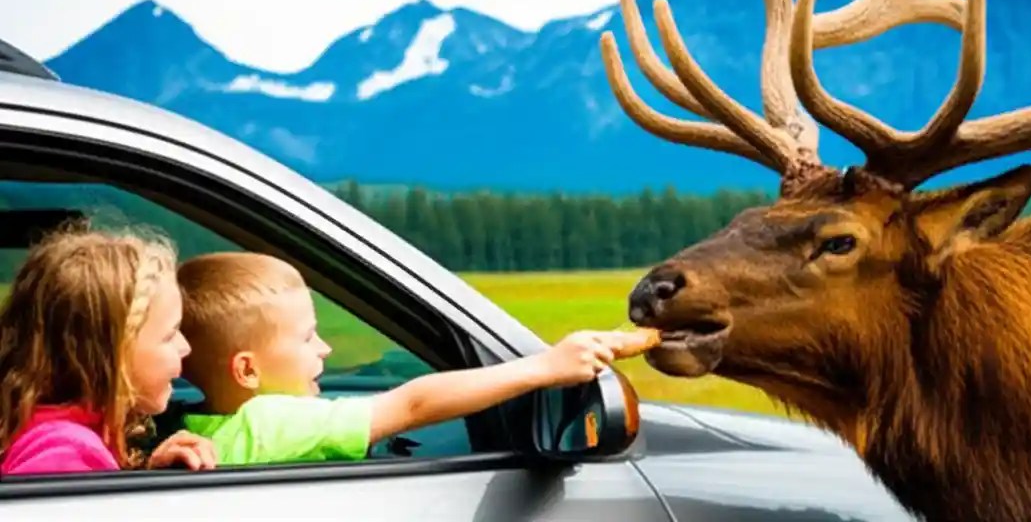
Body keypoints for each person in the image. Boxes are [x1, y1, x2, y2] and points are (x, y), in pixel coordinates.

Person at [172, 251, 655, 466]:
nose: (325, 349)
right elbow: (412, 406)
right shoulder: (272, 423)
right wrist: (544, 367)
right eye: (307, 339)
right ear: (248, 371)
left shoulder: (188, 432)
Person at [0, 226, 217, 475]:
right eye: (169, 335)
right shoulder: (67, 455)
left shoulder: (51, 434)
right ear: (110, 355)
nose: (185, 347)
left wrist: (151, 474)